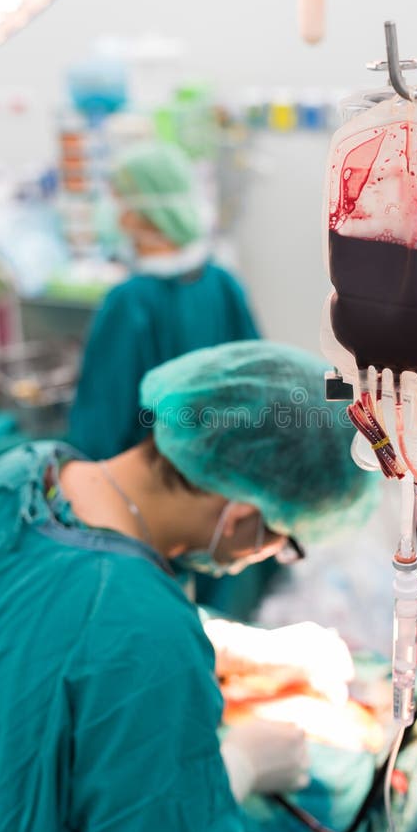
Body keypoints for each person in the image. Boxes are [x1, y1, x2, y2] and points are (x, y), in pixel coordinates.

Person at [0, 341, 375, 832]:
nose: (274, 555)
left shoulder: (17, 474)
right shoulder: (149, 634)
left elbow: (28, 622)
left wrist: (224, 642)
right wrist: (238, 768)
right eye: (285, 542)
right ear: (241, 517)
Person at [69, 139, 270, 619]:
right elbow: (261, 391)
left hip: (150, 513)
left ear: (140, 213)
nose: (114, 213)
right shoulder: (221, 283)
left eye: (118, 200)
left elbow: (99, 429)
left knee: (155, 613)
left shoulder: (130, 303)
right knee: (217, 621)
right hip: (222, 502)